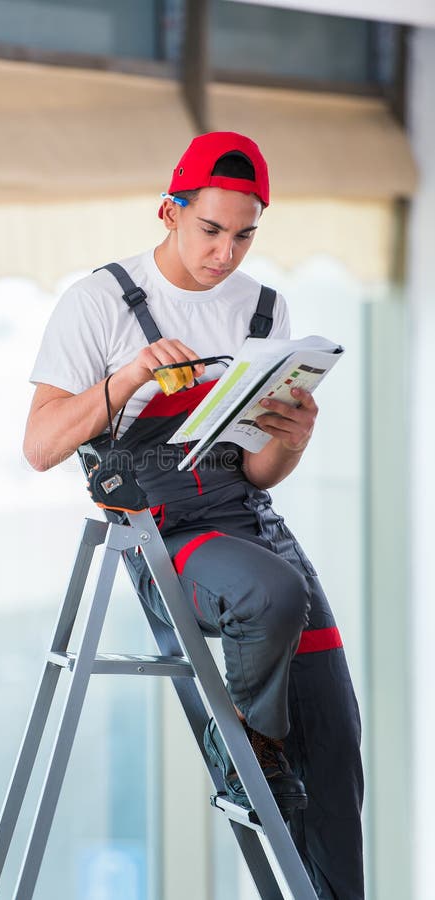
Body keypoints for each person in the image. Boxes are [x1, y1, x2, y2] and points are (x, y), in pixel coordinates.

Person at [24, 131, 364, 899]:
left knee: (336, 742)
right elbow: (41, 446)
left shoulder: (263, 310)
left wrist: (294, 439)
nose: (226, 253)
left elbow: (256, 469)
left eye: (244, 235)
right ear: (168, 212)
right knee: (267, 594)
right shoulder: (101, 301)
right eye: (210, 230)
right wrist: (133, 374)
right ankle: (240, 751)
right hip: (159, 524)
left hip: (247, 513)